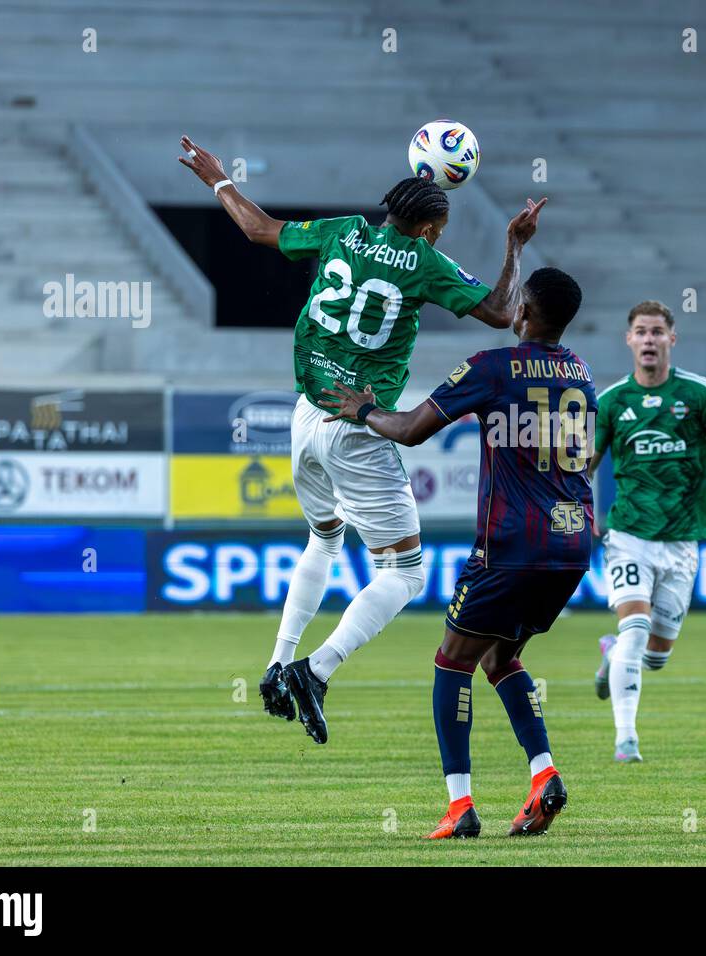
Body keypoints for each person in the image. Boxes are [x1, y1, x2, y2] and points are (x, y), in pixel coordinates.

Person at [177, 136, 546, 741]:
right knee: (405, 573)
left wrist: (218, 181)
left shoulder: (342, 231)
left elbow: (260, 230)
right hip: (359, 425)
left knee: (324, 538)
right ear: (428, 230)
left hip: (305, 414)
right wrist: (513, 244)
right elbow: (505, 313)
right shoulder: (425, 262)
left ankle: (276, 662)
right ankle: (314, 672)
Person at [319, 267, 594, 839]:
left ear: (522, 312)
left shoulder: (493, 367)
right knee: (499, 658)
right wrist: (514, 248)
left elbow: (414, 428)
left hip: (511, 544)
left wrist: (365, 409)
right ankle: (543, 775)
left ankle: (459, 806)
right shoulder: (579, 371)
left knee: (452, 660)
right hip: (571, 543)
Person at [588, 300, 706, 763]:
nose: (649, 339)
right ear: (629, 340)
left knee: (656, 654)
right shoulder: (613, 401)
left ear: (671, 340)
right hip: (629, 533)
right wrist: (585, 511)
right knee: (636, 627)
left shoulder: (698, 394)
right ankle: (625, 739)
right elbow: (585, 465)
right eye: (641, 331)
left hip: (682, 539)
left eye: (658, 332)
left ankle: (612, 652)